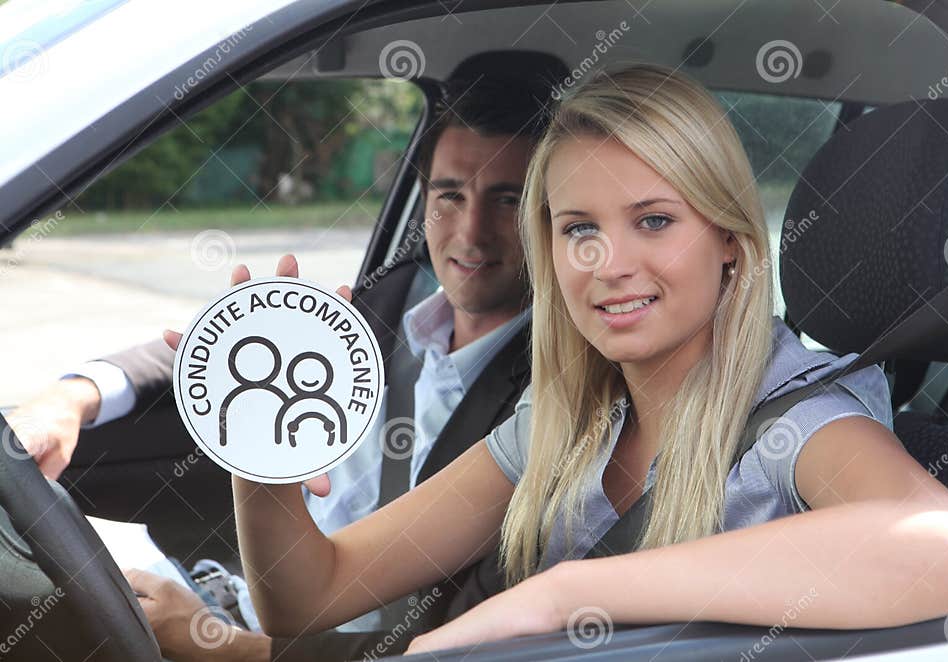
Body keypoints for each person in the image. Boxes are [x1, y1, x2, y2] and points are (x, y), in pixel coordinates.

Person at [199, 63, 948, 656]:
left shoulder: (798, 420)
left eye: (652, 221)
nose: (607, 262)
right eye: (578, 228)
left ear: (728, 239)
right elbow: (315, 596)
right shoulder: (567, 420)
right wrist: (261, 459)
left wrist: (565, 595)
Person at [10, 52, 568, 661]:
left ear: (553, 210)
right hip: (229, 600)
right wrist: (75, 395)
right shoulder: (396, 294)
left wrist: (220, 647)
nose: (469, 232)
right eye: (449, 195)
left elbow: (454, 642)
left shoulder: (553, 398)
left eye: (508, 200)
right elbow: (229, 358)